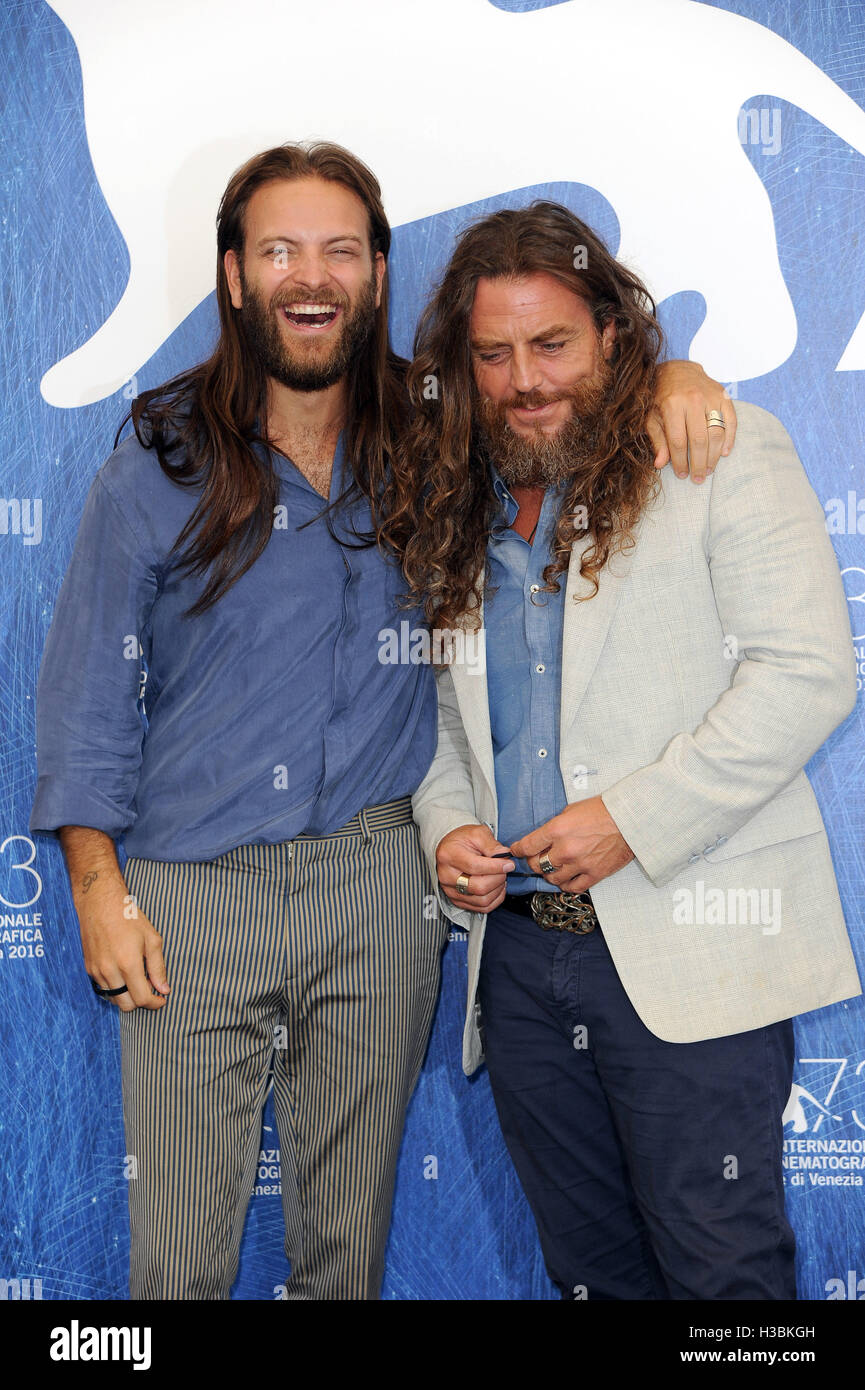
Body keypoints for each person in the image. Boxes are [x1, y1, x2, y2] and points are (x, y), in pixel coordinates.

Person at [30, 145, 734, 1301]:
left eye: (341, 251)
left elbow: (553, 400)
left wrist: (671, 375)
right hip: (189, 895)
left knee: (344, 1259)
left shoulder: (436, 430)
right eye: (280, 250)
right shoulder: (156, 462)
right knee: (176, 1272)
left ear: (374, 274)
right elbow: (87, 696)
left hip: (379, 887)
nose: (313, 276)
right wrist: (98, 888)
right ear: (235, 276)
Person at [402, 201, 861, 1300]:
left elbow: (806, 671)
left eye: (551, 344)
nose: (524, 379)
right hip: (515, 960)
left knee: (724, 1283)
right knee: (591, 1280)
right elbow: (443, 727)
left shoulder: (714, 452)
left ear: (612, 337)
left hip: (688, 940)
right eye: (494, 354)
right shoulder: (448, 503)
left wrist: (628, 822)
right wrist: (445, 823)